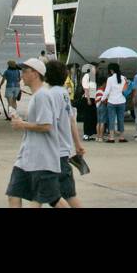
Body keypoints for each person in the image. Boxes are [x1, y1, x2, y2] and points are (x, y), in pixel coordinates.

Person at [6, 58, 66, 208]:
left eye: (25, 71)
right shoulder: (36, 96)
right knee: (14, 194)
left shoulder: (42, 96)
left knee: (52, 199)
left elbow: (46, 126)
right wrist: (21, 122)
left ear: (35, 74)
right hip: (28, 158)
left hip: (43, 160)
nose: (22, 75)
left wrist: (22, 124)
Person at [45, 59, 86, 208]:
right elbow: (71, 121)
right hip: (64, 151)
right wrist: (77, 145)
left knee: (48, 194)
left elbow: (49, 124)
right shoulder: (63, 93)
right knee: (69, 195)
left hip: (54, 153)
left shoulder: (50, 95)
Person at [102, 62, 128, 142]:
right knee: (121, 119)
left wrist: (102, 99)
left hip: (112, 102)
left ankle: (111, 138)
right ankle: (122, 137)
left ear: (111, 70)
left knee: (111, 119)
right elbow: (125, 89)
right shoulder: (124, 78)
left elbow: (107, 91)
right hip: (121, 101)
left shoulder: (109, 79)